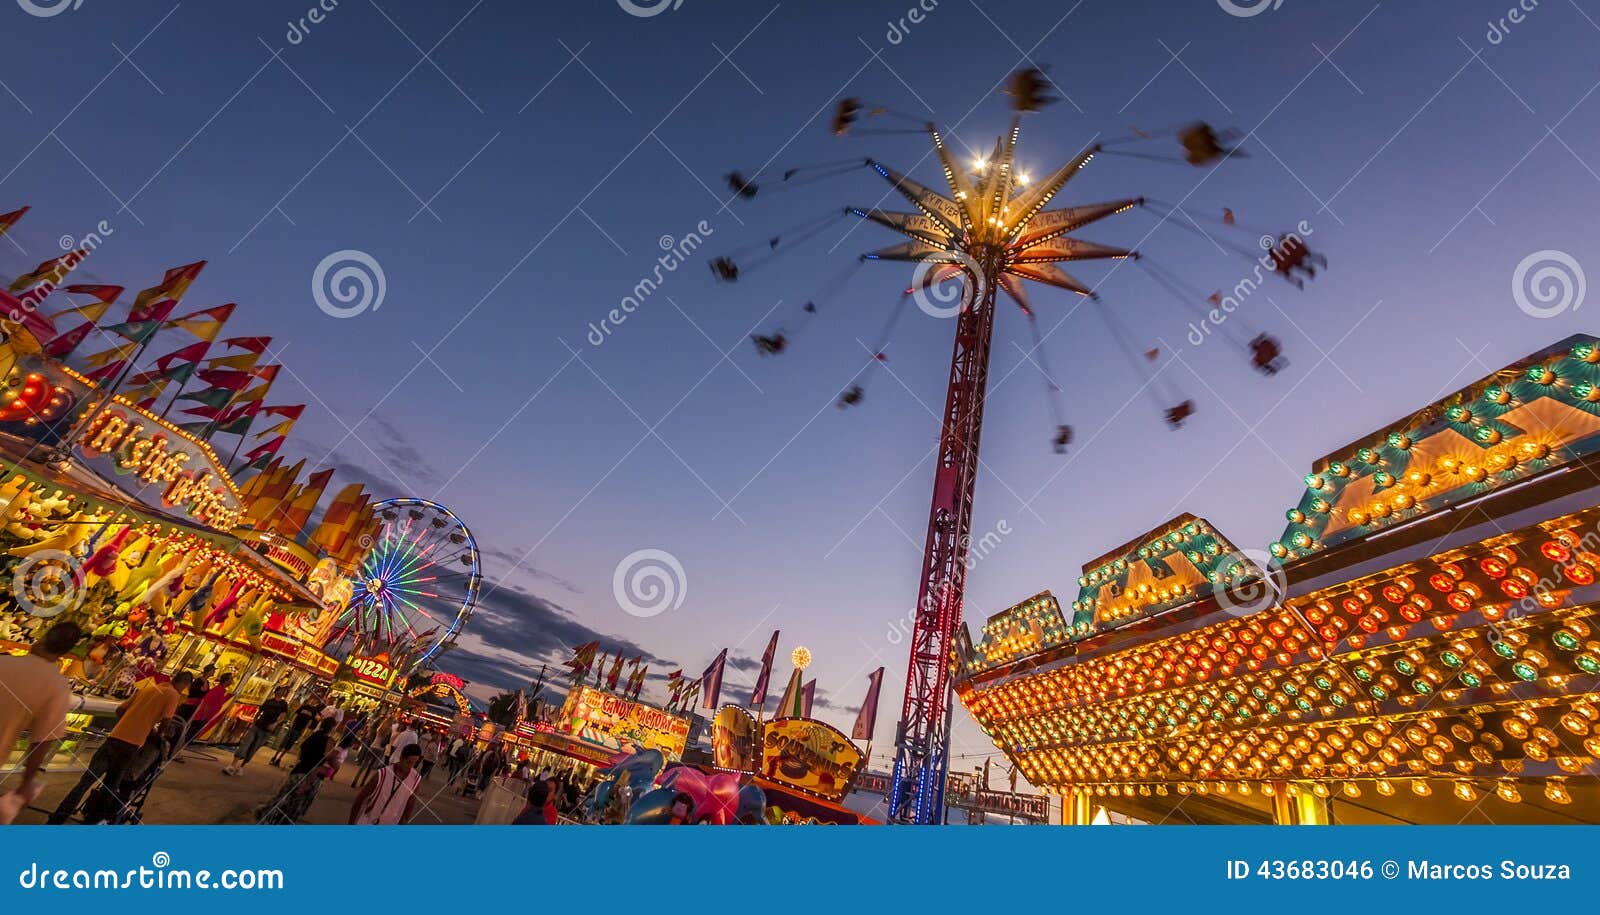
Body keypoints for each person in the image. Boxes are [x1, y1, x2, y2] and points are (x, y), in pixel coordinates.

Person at [49, 671, 191, 824]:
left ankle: (58, 817)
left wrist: (129, 723)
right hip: (130, 745)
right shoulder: (172, 695)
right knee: (111, 786)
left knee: (85, 781)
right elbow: (166, 722)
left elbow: (120, 710)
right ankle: (93, 820)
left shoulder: (149, 689)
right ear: (184, 684)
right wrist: (155, 734)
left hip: (113, 738)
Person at [0, 622, 82, 824]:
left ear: (43, 637)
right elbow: (42, 742)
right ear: (66, 651)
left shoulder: (4, 663)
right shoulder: (57, 686)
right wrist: (26, 784)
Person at [257, 718, 337, 825]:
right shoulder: (329, 741)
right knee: (297, 807)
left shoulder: (312, 736)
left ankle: (267, 819)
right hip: (313, 777)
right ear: (332, 728)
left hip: (299, 770)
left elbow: (301, 750)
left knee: (282, 799)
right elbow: (331, 761)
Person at [224, 684, 289, 776]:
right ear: (277, 691)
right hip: (258, 725)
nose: (282, 692)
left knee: (254, 748)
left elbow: (283, 716)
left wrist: (275, 724)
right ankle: (232, 765)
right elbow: (259, 711)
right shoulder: (268, 701)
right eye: (281, 690)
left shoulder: (284, 704)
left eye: (284, 691)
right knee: (245, 743)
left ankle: (241, 767)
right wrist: (254, 721)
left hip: (267, 730)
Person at [350, 744, 422, 825]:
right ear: (401, 757)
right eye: (408, 762)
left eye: (414, 763)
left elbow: (409, 806)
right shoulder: (382, 774)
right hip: (368, 821)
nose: (410, 766)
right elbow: (360, 799)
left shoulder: (415, 779)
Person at [178, 671, 232, 753]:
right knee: (190, 734)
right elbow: (207, 702)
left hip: (206, 716)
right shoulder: (217, 689)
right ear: (226, 680)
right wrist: (204, 716)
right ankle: (177, 750)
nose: (232, 681)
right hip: (202, 716)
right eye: (231, 679)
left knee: (192, 734)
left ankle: (178, 750)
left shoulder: (220, 690)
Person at [271, 693, 321, 767]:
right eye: (313, 699)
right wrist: (291, 723)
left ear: (316, 702)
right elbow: (296, 714)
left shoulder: (314, 710)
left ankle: (279, 759)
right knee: (284, 742)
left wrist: (304, 731)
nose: (313, 701)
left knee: (289, 745)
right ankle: (274, 757)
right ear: (311, 700)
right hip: (294, 727)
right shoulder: (304, 706)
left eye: (315, 700)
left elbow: (310, 721)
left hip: (300, 729)